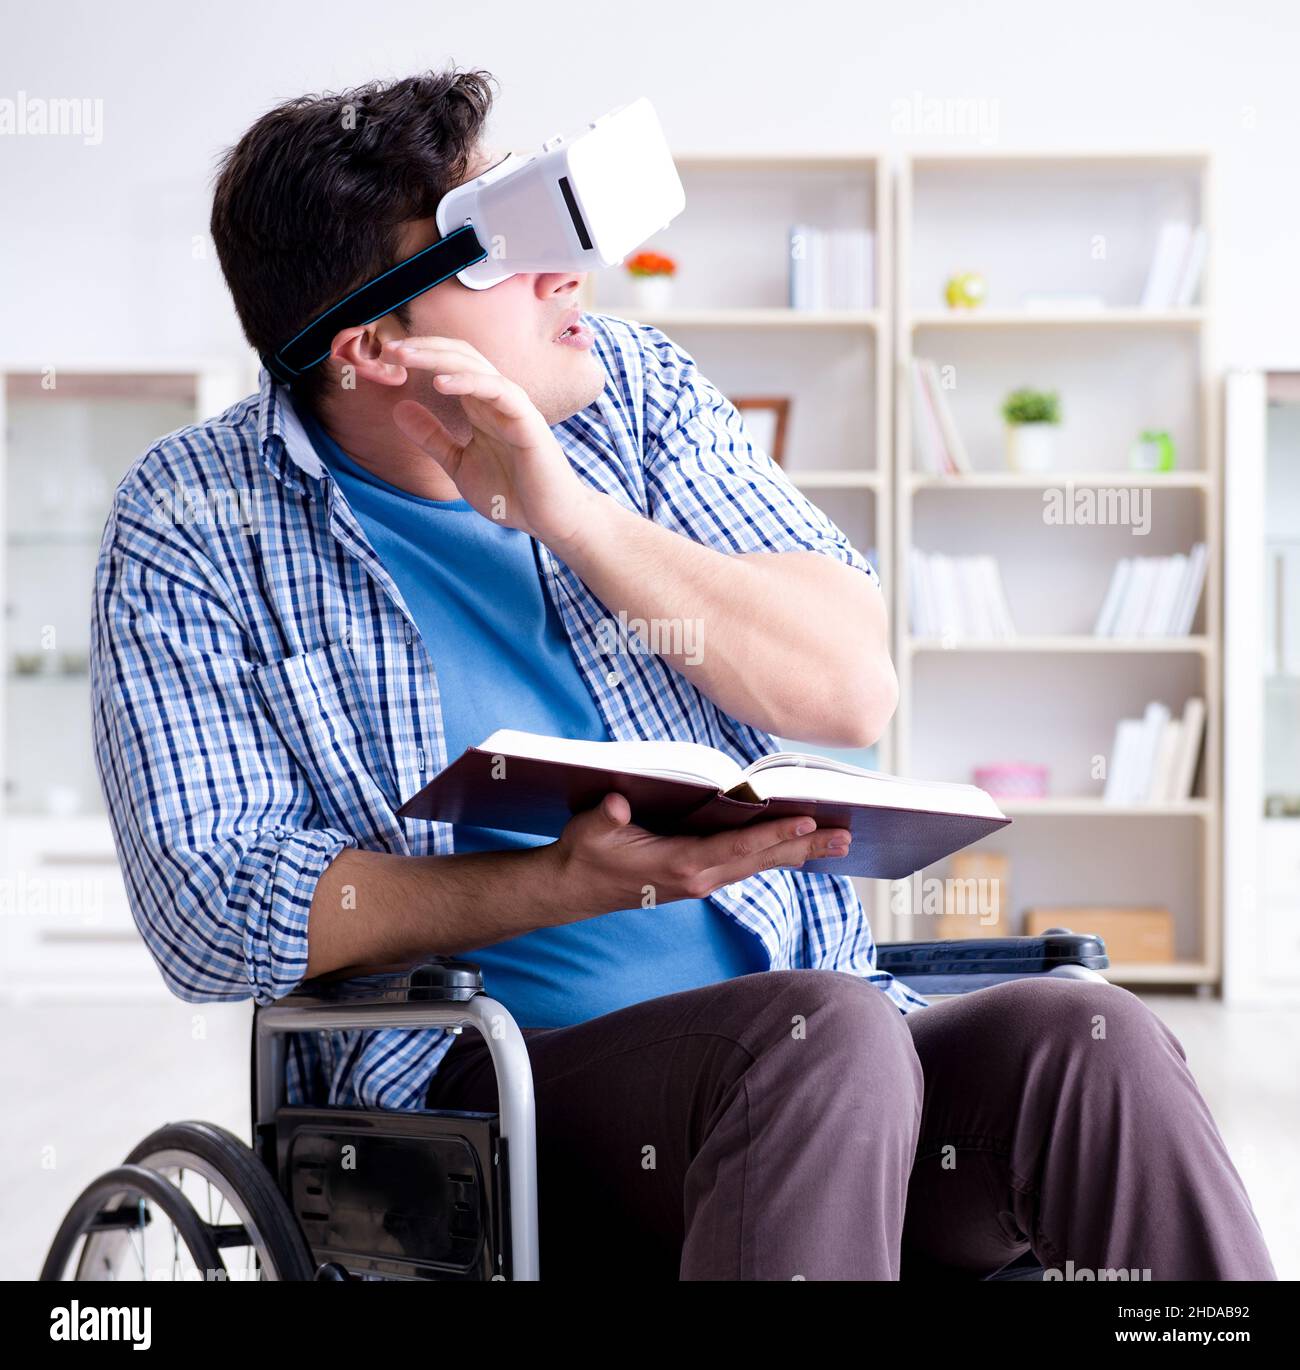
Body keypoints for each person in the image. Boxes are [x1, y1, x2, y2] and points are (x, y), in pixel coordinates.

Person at [90, 68, 1276, 1281]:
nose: (567, 273)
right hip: (485, 1115)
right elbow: (207, 904)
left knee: (1090, 1036)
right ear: (376, 346)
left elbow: (847, 684)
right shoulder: (193, 519)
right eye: (497, 254)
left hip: (835, 1068)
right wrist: (552, 882)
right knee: (819, 1035)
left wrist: (571, 514)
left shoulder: (633, 397)